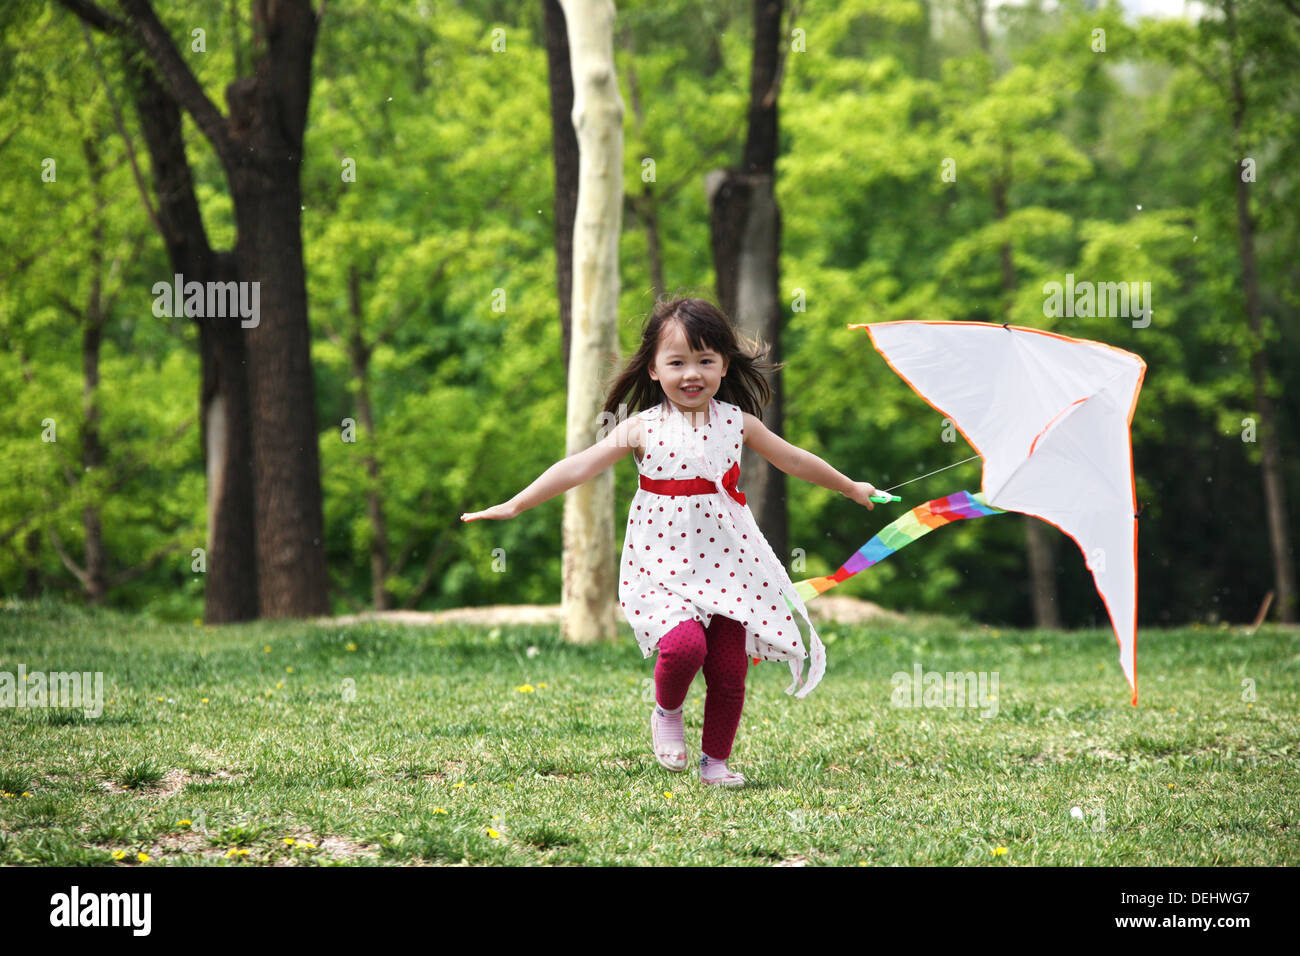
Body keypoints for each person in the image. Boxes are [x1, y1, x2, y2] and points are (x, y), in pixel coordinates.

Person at [462, 297, 880, 787]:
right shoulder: (641, 427)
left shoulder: (737, 423)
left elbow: (795, 460)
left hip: (728, 561)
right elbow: (578, 465)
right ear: (655, 370)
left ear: (725, 364)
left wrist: (850, 486)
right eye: (677, 362)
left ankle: (716, 763)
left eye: (706, 360)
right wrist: (516, 504)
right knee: (684, 648)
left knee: (728, 671)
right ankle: (667, 710)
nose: (692, 373)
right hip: (661, 565)